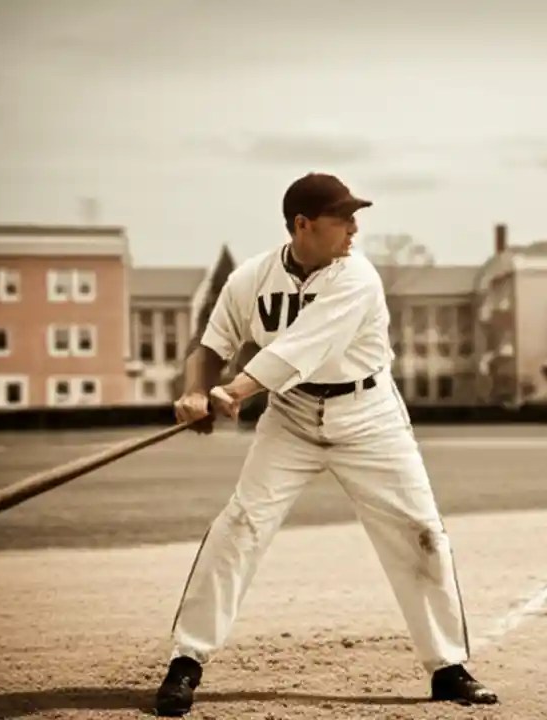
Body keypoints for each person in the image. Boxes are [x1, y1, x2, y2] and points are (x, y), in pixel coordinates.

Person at [154, 173, 498, 715]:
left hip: (369, 417)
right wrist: (196, 390)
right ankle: (186, 660)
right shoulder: (250, 279)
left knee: (420, 533)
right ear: (303, 225)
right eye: (343, 218)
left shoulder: (357, 277)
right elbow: (211, 344)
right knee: (240, 525)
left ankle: (448, 667)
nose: (355, 228)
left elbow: (297, 350)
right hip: (290, 419)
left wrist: (234, 391)